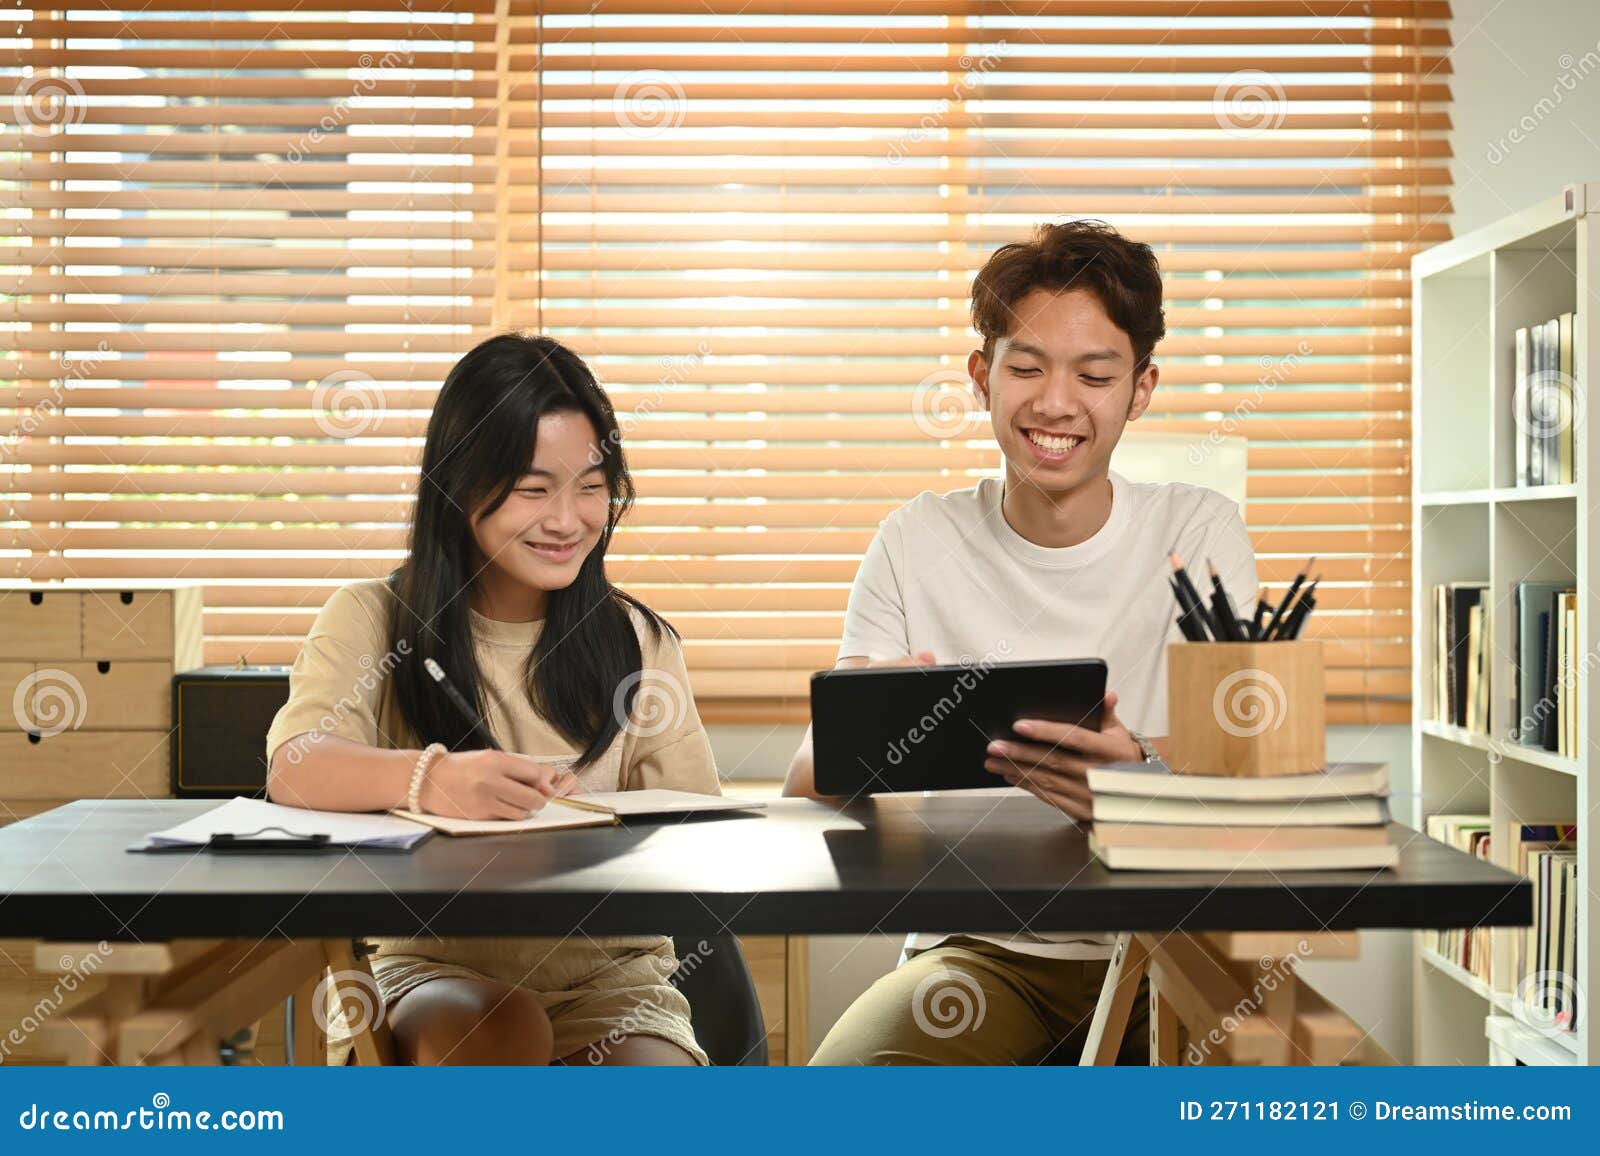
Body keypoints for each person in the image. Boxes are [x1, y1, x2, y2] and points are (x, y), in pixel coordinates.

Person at [786, 219, 1259, 1065]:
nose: (1054, 403)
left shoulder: (1200, 528)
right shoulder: (914, 539)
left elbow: (1250, 759)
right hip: (978, 953)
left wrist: (1140, 777)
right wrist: (867, 724)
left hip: (1170, 943)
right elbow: (809, 785)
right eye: (1028, 367)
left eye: (1095, 374)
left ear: (1140, 389)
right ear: (982, 376)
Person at [266, 333, 718, 1067]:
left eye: (592, 485)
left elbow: (696, 836)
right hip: (435, 974)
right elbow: (295, 766)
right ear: (459, 484)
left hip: (613, 982)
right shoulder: (371, 618)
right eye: (534, 490)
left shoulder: (639, 643)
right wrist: (434, 779)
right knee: (501, 1031)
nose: (568, 519)